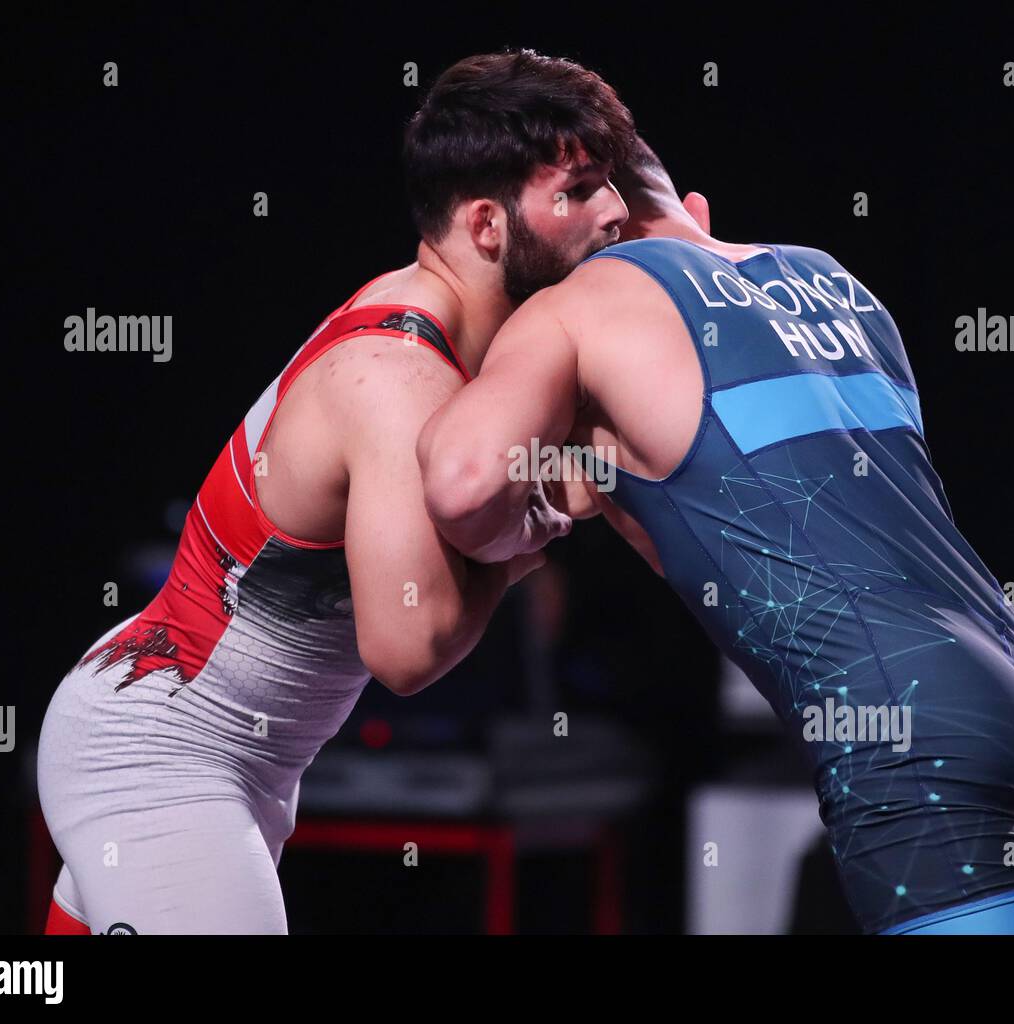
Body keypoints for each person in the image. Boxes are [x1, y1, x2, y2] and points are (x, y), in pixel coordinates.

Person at [417, 137, 1014, 935]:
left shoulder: (589, 299)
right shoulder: (834, 279)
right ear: (693, 212)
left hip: (906, 719)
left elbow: (462, 483)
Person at [38, 49, 629, 934]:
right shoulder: (397, 375)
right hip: (162, 754)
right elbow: (407, 646)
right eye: (577, 191)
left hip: (230, 758)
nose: (614, 211)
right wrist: (529, 539)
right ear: (487, 225)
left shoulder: (454, 336)